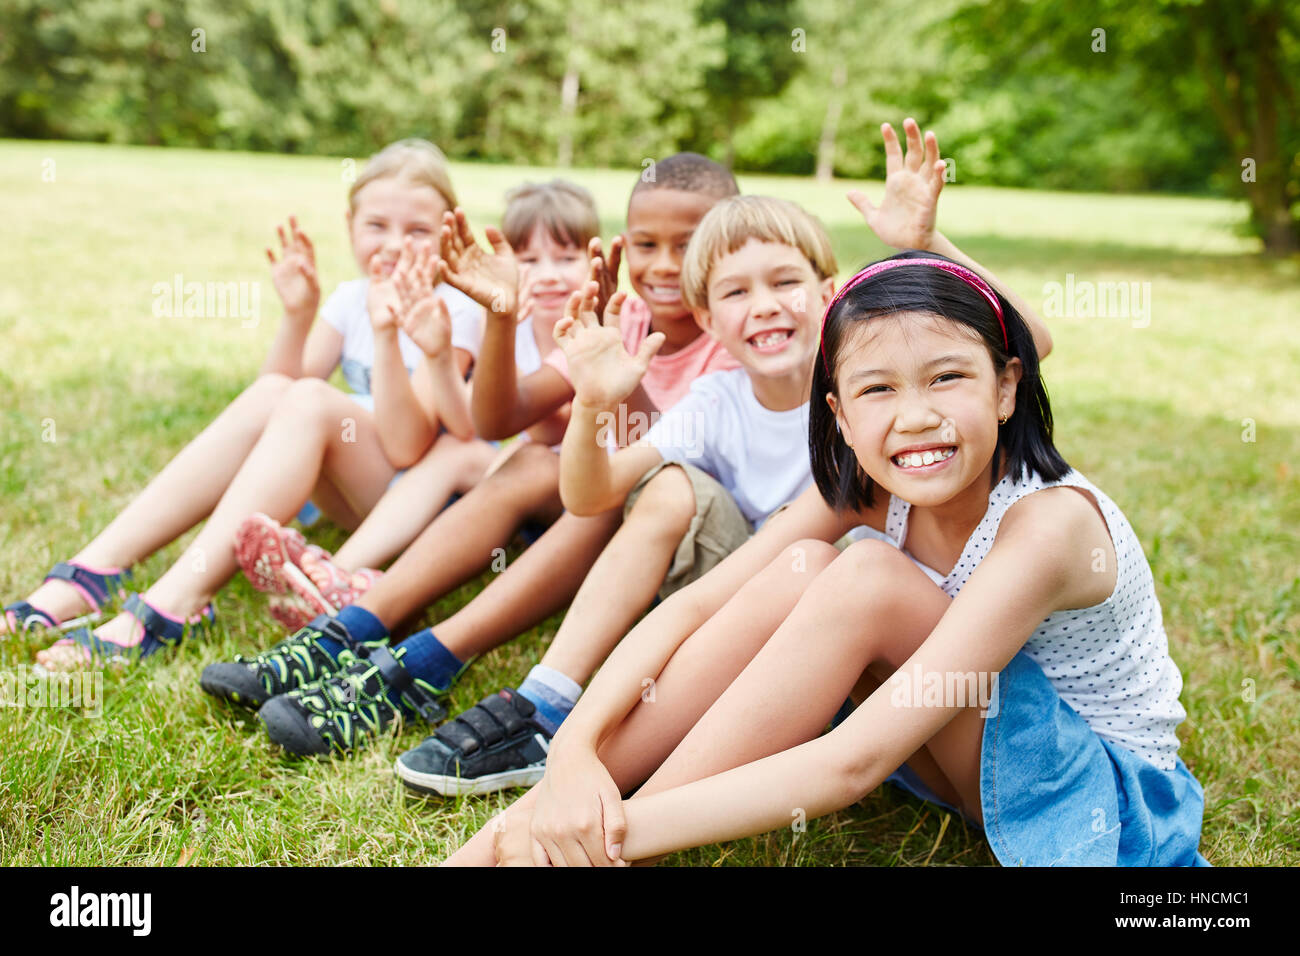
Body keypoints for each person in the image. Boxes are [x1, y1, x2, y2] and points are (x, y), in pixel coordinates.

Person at [472, 243, 1207, 867]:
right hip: (958, 747)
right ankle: (520, 833)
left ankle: (581, 848)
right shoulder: (863, 488)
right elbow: (698, 606)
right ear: (842, 417)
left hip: (1099, 801)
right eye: (877, 389)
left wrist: (614, 837)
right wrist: (571, 753)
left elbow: (850, 762)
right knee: (805, 568)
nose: (916, 417)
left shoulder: (1049, 525)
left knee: (866, 576)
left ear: (1008, 386)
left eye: (947, 377)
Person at [398, 121, 1054, 797]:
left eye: (783, 283)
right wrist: (595, 406)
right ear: (708, 320)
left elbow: (1029, 344)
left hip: (848, 623)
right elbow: (591, 499)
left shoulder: (871, 381)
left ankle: (619, 762)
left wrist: (924, 244)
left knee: (801, 563)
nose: (764, 306)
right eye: (736, 293)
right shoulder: (718, 400)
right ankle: (551, 706)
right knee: (674, 491)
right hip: (755, 596)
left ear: (829, 292)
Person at [199, 155, 743, 756]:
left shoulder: (736, 326)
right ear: (623, 243)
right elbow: (498, 420)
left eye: (686, 245)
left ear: (727, 244)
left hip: (677, 542)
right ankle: (348, 629)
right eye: (646, 244)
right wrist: (502, 319)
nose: (665, 265)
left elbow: (659, 456)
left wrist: (612, 378)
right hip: (591, 520)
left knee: (621, 486)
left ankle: (422, 664)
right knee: (532, 461)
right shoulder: (624, 312)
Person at [11, 139, 484, 667]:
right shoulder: (351, 296)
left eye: (418, 231)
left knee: (308, 398)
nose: (394, 244)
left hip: (403, 501)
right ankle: (96, 568)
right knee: (285, 394)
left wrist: (389, 334)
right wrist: (298, 316)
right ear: (350, 224)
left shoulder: (455, 310)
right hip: (353, 484)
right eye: (377, 226)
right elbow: (268, 403)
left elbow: (407, 447)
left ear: (446, 236)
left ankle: (177, 601)